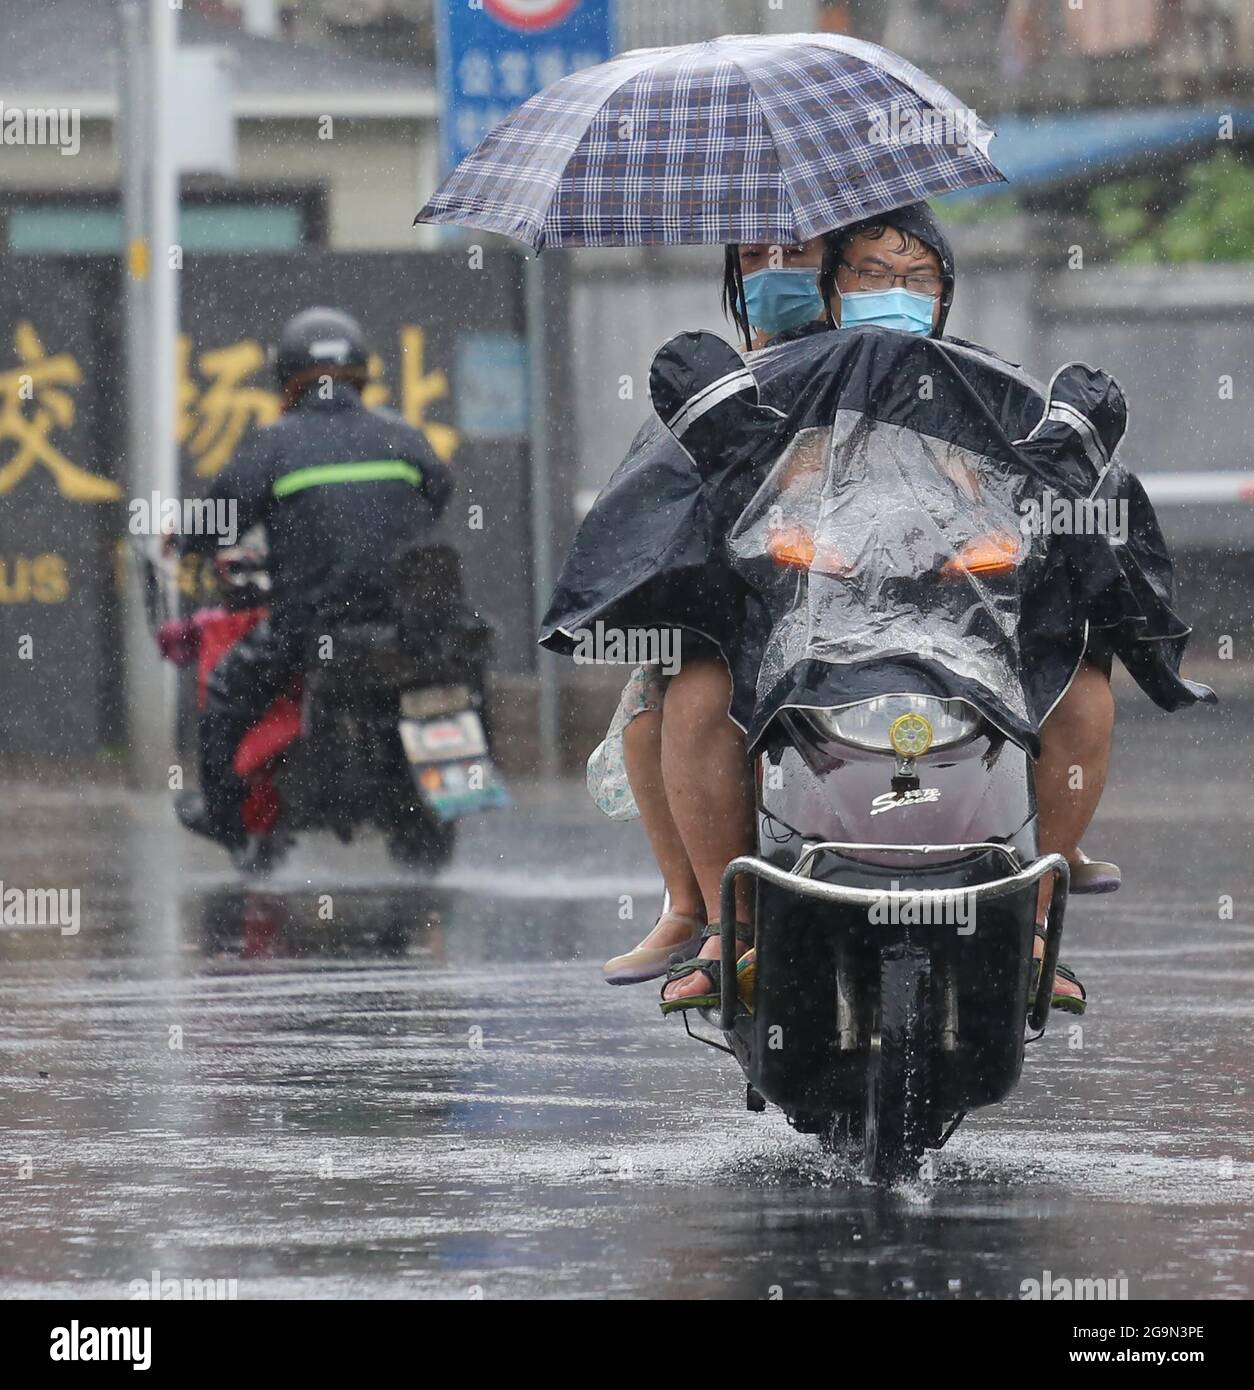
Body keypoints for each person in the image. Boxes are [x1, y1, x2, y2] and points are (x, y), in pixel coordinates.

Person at [595, 206, 1115, 1012]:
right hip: (789, 621)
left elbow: (1028, 488)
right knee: (685, 689)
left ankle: (1042, 910)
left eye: (915, 277)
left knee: (1079, 680)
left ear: (945, 290)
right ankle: (721, 921)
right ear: (835, 288)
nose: (892, 292)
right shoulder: (741, 390)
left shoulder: (977, 381)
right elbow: (670, 517)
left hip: (956, 614)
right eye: (870, 275)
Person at [174, 306, 453, 847]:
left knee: (227, 691)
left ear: (288, 379)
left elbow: (215, 524)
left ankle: (225, 820)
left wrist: (186, 540)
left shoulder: (273, 445)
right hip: (412, 626)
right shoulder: (404, 436)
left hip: (312, 627)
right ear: (361, 373)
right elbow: (438, 494)